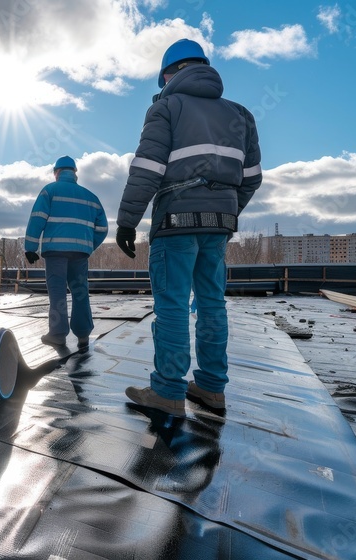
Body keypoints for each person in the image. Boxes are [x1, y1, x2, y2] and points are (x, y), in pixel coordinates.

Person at [116, 39, 262, 416]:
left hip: (175, 223)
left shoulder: (168, 107)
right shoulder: (241, 115)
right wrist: (226, 210)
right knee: (212, 304)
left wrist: (127, 221)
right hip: (218, 227)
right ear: (204, 67)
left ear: (167, 74)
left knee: (173, 306)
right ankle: (212, 388)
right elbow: (251, 178)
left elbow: (147, 169)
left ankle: (167, 392)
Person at [25, 156, 109, 349]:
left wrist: (30, 247)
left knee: (57, 292)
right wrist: (87, 245)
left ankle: (58, 334)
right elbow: (103, 229)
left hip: (55, 251)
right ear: (75, 173)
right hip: (80, 253)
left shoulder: (50, 191)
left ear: (57, 172)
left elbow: (37, 218)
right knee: (80, 292)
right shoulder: (91, 197)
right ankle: (83, 334)